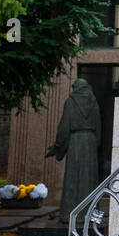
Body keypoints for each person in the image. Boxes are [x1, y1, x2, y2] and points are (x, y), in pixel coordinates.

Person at [46, 77, 102, 223]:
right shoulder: (94, 101)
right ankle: (88, 214)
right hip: (90, 141)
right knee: (89, 178)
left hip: (75, 141)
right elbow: (98, 126)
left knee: (72, 177)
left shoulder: (70, 102)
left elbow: (64, 127)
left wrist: (58, 147)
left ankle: (68, 214)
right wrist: (95, 144)